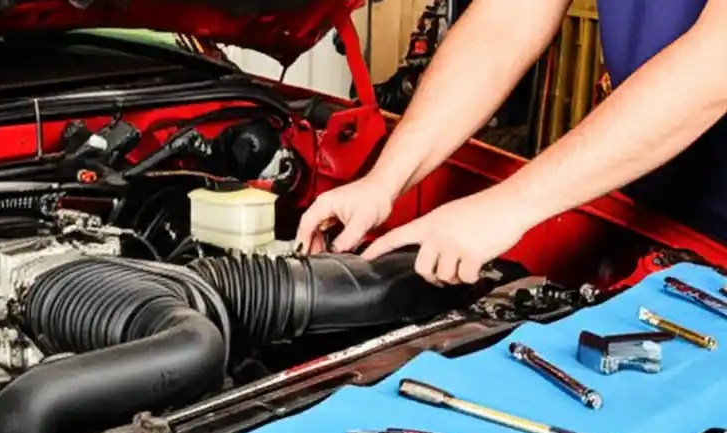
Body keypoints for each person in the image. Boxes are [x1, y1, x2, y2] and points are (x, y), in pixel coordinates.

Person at [296, 0, 727, 285]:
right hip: (646, 195)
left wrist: (506, 207)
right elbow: (507, 18)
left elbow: (715, 63)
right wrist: (385, 181)